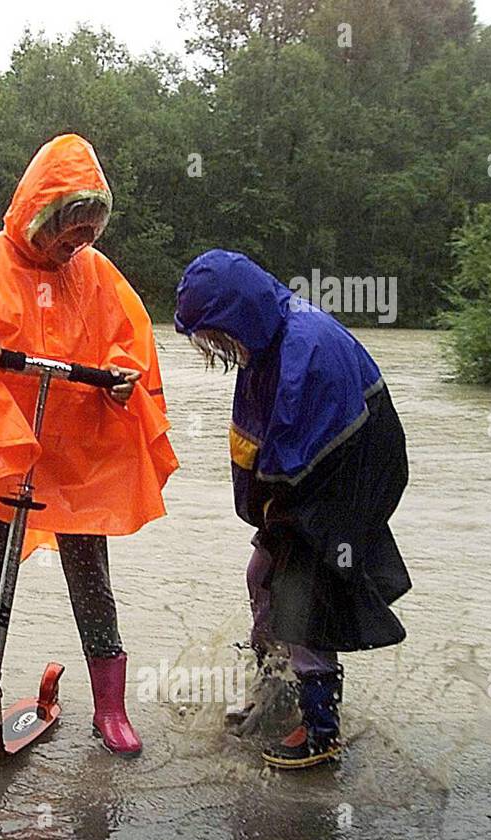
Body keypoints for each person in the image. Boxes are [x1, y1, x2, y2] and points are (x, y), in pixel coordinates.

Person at [0, 134, 178, 755]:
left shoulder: (95, 274)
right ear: (40, 217)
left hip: (76, 455)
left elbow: (129, 336)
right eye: (68, 231)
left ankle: (111, 709)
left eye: (88, 233)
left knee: (91, 578)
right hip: (2, 450)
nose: (78, 245)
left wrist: (123, 375)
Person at [174, 249, 410, 769]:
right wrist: (264, 516)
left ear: (239, 314)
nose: (214, 348)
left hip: (350, 474)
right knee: (261, 575)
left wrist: (280, 518)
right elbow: (257, 443)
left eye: (215, 336)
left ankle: (321, 732)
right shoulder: (266, 344)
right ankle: (279, 693)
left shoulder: (307, 347)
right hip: (314, 477)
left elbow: (305, 454)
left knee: (302, 596)